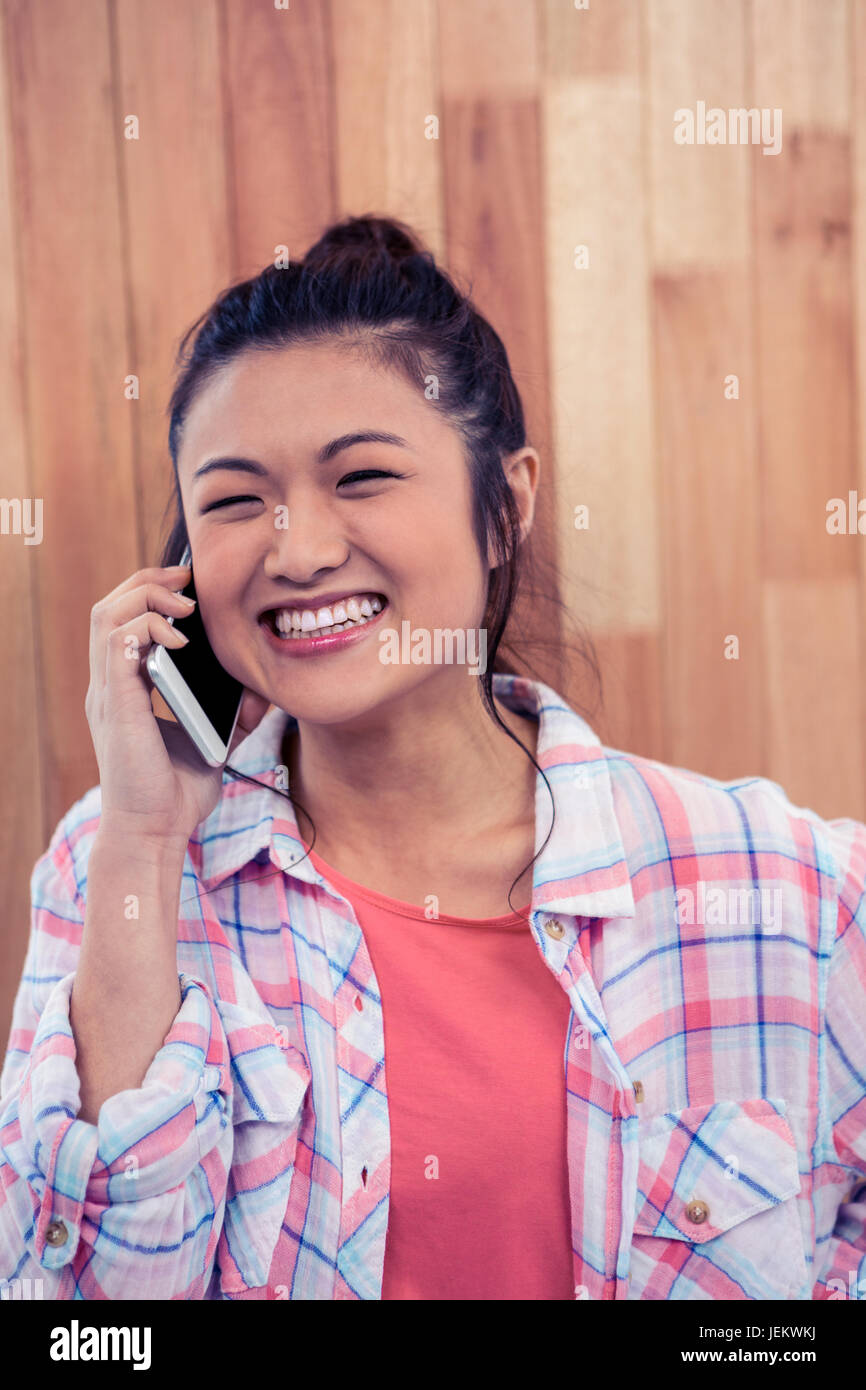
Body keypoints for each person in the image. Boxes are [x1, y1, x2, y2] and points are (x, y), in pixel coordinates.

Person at [1, 215, 864, 1301]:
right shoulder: (115, 869)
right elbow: (77, 1313)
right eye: (230, 501)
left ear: (504, 508)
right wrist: (142, 831)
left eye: (359, 477)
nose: (299, 549)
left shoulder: (786, 891)